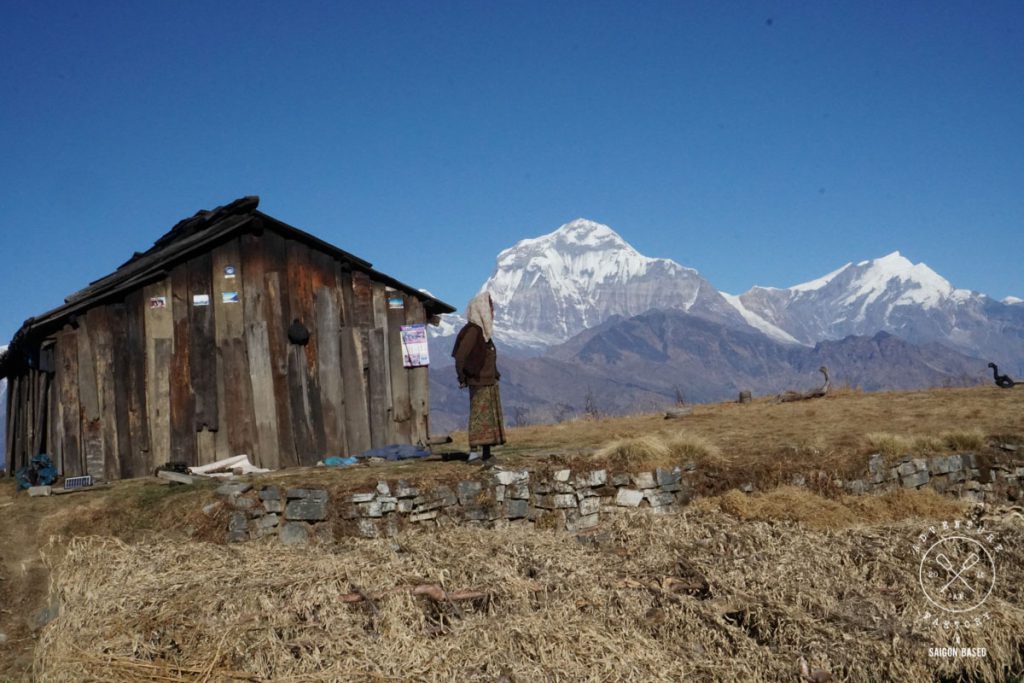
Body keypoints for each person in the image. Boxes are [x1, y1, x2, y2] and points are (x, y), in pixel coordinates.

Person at [452, 291, 506, 463]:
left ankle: (486, 453)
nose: (491, 312)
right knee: (478, 417)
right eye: (489, 308)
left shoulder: (483, 333)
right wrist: (462, 377)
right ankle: (473, 453)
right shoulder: (473, 331)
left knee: (488, 418)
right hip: (478, 381)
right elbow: (461, 356)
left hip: (488, 381)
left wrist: (495, 374)